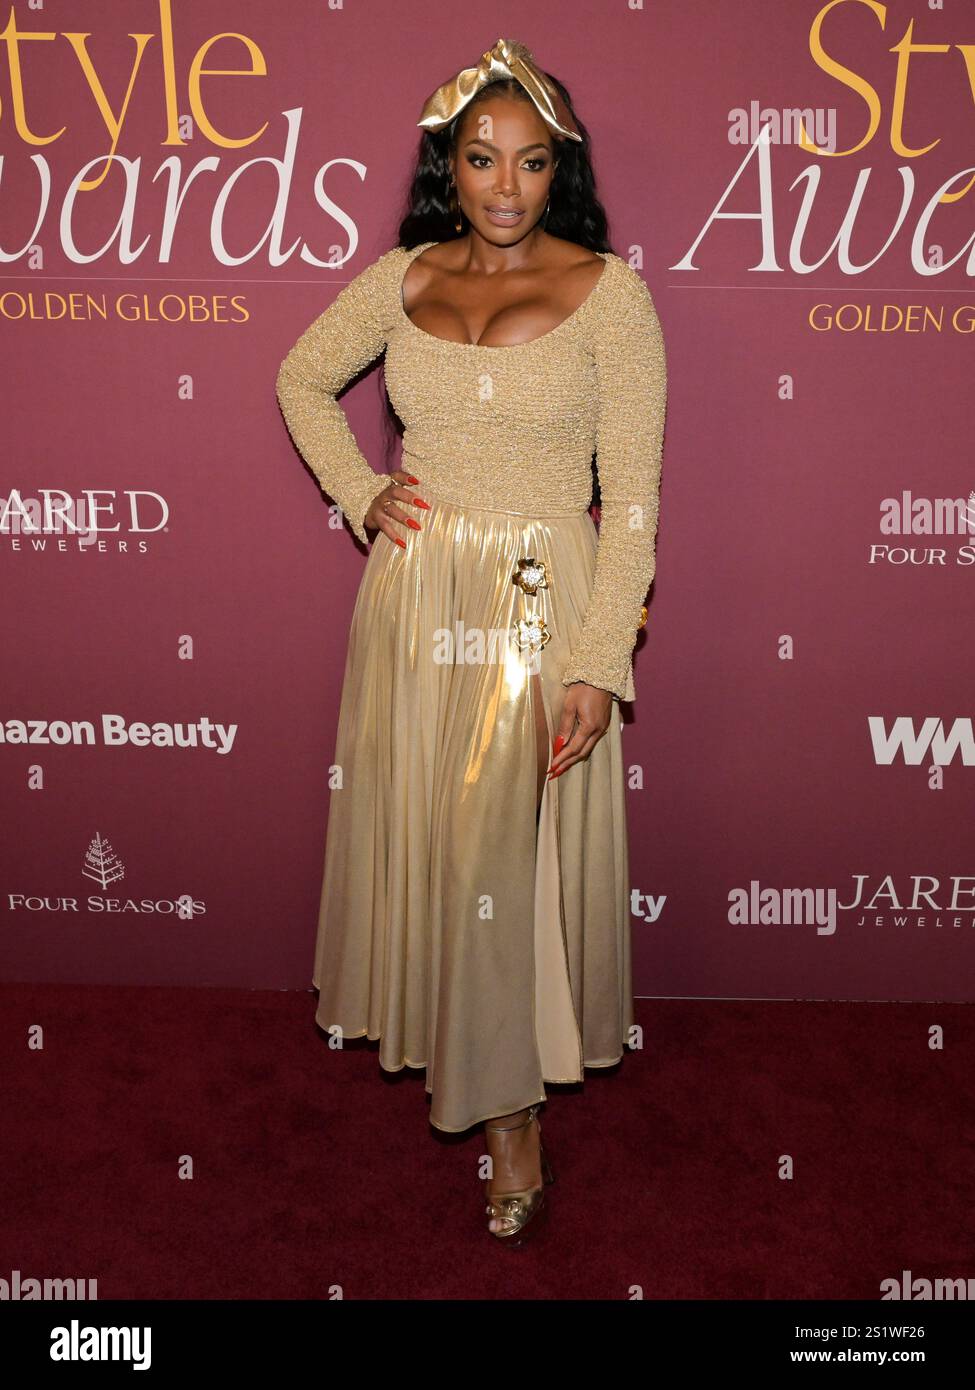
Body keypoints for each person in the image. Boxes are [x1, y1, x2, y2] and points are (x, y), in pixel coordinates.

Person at [275, 37, 668, 1244]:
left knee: (502, 851)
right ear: (451, 164)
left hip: (542, 601)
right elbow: (300, 378)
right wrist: (358, 490)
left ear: (562, 170)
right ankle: (471, 1049)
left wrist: (602, 659)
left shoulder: (613, 294)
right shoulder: (402, 278)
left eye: (532, 161)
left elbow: (637, 498)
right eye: (482, 159)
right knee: (445, 848)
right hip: (417, 600)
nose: (506, 185)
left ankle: (510, 1118)